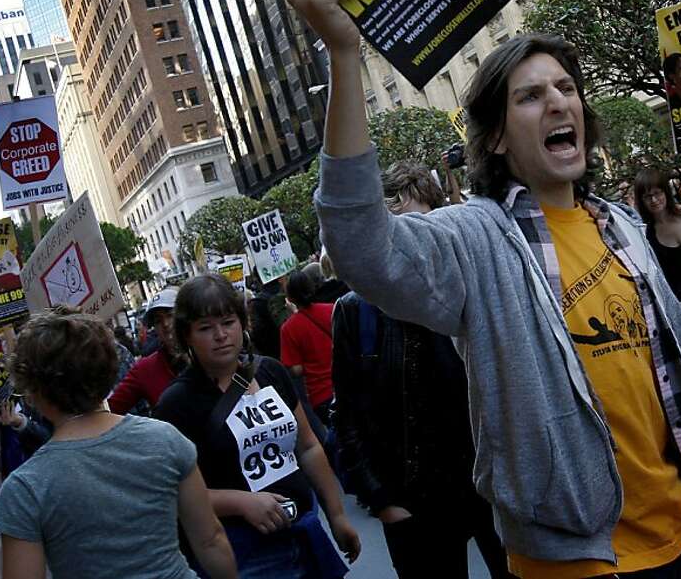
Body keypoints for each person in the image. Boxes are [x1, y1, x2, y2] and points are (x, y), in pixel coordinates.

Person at [287, 0, 681, 576]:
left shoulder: (620, 228)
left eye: (566, 88)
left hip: (677, 539)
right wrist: (345, 57)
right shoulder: (477, 237)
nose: (557, 102)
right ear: (494, 137)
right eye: (531, 95)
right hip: (568, 559)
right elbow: (360, 245)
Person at [334, 160, 513, 579]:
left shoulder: (474, 288)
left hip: (493, 490)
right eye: (398, 231)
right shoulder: (355, 311)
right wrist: (381, 500)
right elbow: (348, 414)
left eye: (423, 227)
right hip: (413, 501)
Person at [0, 308, 235, 579]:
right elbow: (210, 540)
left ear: (32, 392)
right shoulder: (165, 439)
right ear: (108, 371)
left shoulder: (24, 488)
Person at [153, 273, 361, 578]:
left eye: (227, 322)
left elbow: (307, 447)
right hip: (244, 554)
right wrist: (241, 503)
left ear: (243, 323)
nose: (221, 335)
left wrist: (337, 515)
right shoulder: (177, 403)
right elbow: (176, 494)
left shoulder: (270, 372)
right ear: (186, 337)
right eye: (205, 328)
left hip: (304, 532)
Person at [634, 169, 681, 302]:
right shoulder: (648, 235)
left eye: (657, 193)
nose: (654, 200)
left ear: (666, 192)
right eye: (647, 196)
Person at [109, 289, 184, 414]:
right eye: (158, 320)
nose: (165, 324)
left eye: (170, 315)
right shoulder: (145, 369)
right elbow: (111, 409)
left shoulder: (207, 353)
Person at [281, 267, 336, 428]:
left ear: (289, 297)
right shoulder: (332, 309)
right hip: (348, 383)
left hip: (321, 395)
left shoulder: (289, 328)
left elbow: (296, 369)